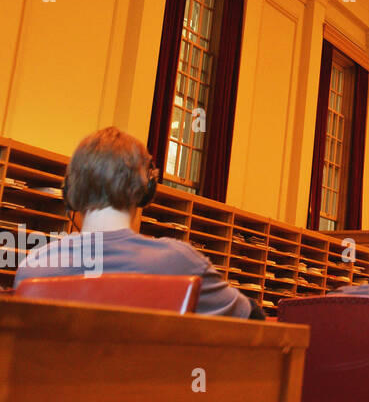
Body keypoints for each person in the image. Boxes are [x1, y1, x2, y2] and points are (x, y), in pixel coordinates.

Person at [16, 127, 257, 318]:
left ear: (68, 190)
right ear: (146, 190)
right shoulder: (180, 262)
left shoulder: (33, 268)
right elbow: (252, 318)